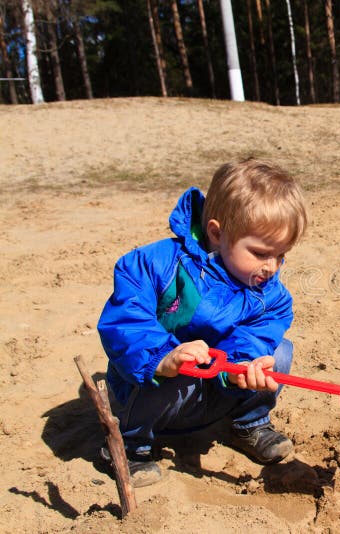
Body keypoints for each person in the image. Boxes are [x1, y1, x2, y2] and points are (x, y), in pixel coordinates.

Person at [97, 158, 308, 487]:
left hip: (212, 392)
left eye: (281, 255)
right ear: (216, 232)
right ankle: (130, 446)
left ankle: (249, 424)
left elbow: (259, 333)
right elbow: (126, 322)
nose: (272, 267)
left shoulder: (270, 294)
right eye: (261, 253)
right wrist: (163, 358)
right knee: (181, 367)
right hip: (153, 394)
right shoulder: (154, 265)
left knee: (279, 353)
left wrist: (243, 366)